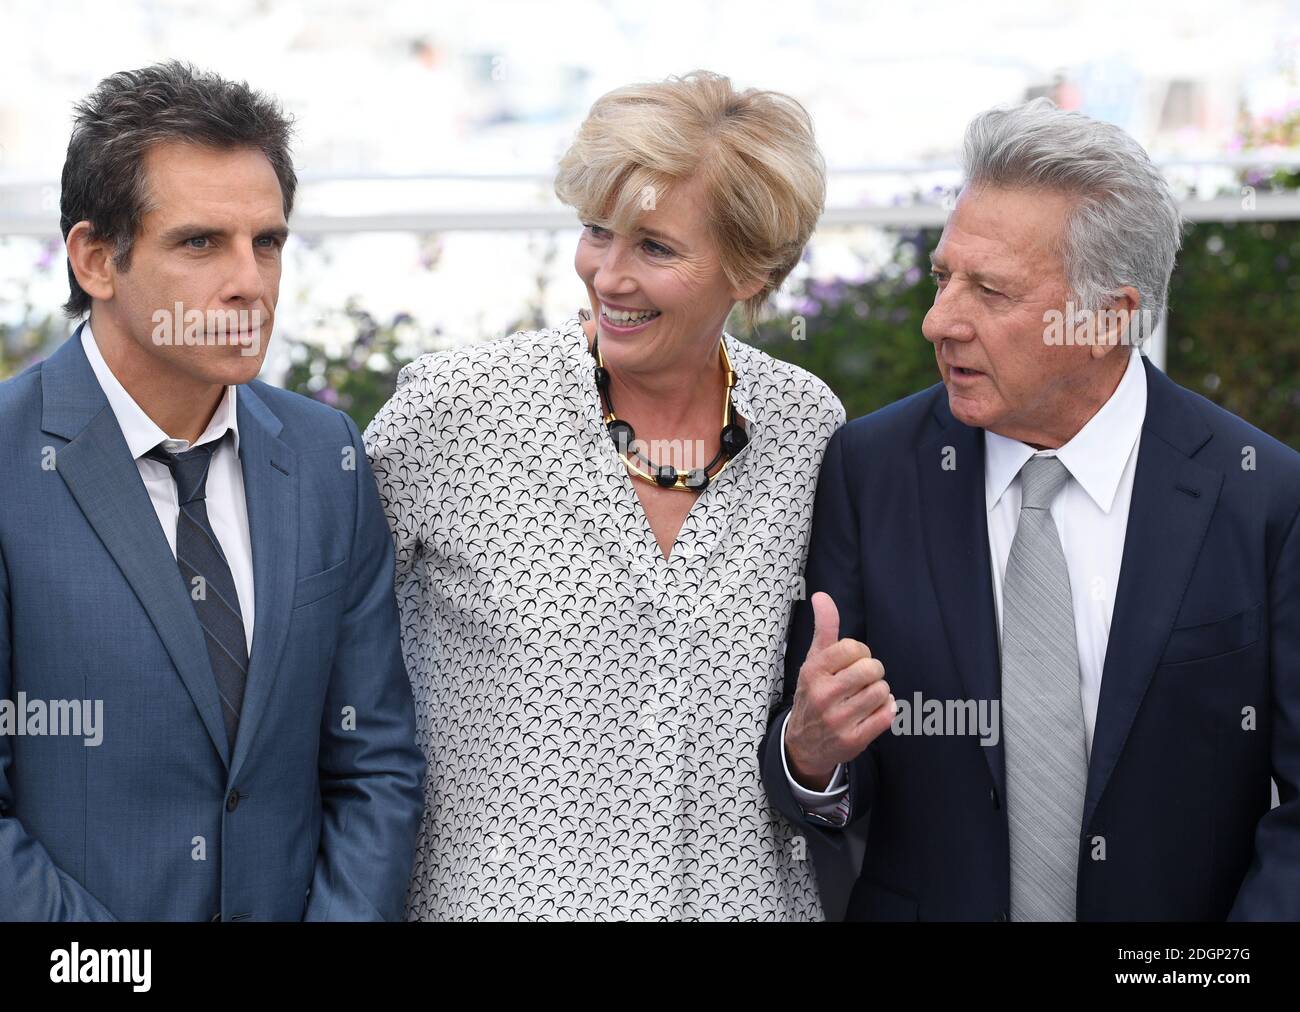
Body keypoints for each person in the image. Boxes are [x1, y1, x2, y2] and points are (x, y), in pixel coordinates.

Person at [764, 97, 1300, 921]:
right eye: (945, 276)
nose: (939, 321)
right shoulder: (871, 470)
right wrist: (811, 753)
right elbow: (827, 779)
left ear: (1108, 318)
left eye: (991, 291)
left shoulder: (1263, 494)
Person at [365, 70, 841, 919]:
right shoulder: (455, 412)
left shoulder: (808, 428)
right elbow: (322, 666)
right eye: (596, 232)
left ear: (750, 268)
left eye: (655, 247)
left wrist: (813, 750)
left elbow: (816, 735)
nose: (608, 276)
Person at [0, 62, 425, 921]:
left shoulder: (322, 457)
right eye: (201, 243)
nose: (250, 283)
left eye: (267, 242)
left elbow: (373, 762)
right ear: (94, 259)